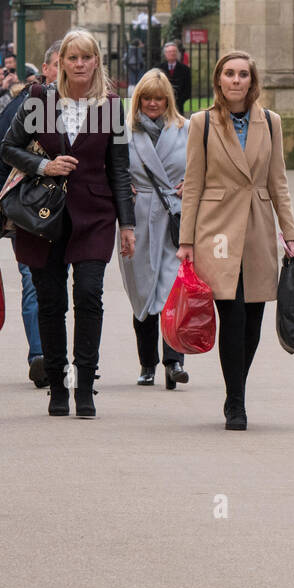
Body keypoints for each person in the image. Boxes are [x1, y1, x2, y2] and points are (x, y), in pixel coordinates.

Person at [1, 29, 136, 419]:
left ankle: (86, 386)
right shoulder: (41, 99)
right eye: (71, 59)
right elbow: (8, 148)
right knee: (51, 301)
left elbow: (120, 168)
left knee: (90, 296)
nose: (78, 65)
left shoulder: (111, 106)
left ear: (96, 61)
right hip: (44, 215)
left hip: (94, 214)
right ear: (60, 64)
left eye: (85, 58)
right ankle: (58, 386)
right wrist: (44, 164)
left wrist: (126, 224)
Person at [178, 50, 294, 430]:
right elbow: (193, 184)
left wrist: (291, 235)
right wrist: (186, 241)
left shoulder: (271, 122)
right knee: (231, 314)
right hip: (216, 229)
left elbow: (278, 181)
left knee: (253, 320)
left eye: (242, 74)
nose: (235, 80)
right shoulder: (203, 123)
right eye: (228, 74)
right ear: (218, 81)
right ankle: (236, 402)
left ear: (252, 81)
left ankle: (236, 389)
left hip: (259, 227)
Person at [0, 42, 61, 390]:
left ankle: (64, 357)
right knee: (33, 280)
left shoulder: (94, 107)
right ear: (46, 67)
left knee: (76, 288)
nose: (70, 68)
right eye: (61, 62)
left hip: (74, 212)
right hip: (28, 210)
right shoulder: (24, 104)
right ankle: (41, 357)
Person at [119, 69, 190, 389]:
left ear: (168, 100)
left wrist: (193, 183)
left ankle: (174, 362)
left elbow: (209, 166)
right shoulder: (124, 132)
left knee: (174, 289)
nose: (152, 103)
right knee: (143, 291)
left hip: (175, 217)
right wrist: (121, 188)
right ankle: (147, 363)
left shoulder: (187, 129)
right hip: (138, 217)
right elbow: (111, 169)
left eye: (158, 98)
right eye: (146, 98)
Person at [159, 42, 192, 114]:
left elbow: (187, 90)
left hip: (178, 106)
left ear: (177, 53)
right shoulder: (159, 68)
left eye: (174, 51)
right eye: (169, 51)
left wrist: (178, 101)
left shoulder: (185, 69)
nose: (172, 53)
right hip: (162, 106)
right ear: (165, 54)